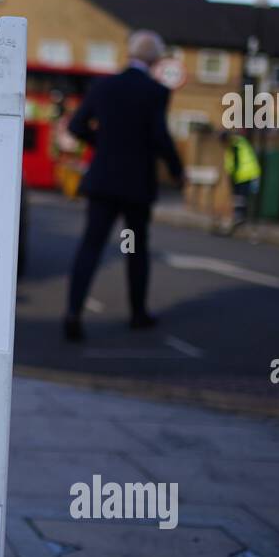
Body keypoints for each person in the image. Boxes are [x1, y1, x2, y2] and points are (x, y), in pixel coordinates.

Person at [63, 30, 184, 342]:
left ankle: (73, 312)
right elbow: (160, 137)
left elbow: (76, 126)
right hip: (136, 185)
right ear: (155, 59)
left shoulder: (103, 86)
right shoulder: (156, 92)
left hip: (102, 180)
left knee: (90, 245)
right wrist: (176, 169)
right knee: (136, 249)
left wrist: (101, 143)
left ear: (128, 53)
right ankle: (137, 314)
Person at [219, 129, 261, 235]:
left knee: (242, 197)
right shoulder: (236, 144)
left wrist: (231, 174)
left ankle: (241, 217)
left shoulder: (236, 144)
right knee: (239, 197)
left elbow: (234, 162)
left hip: (246, 174)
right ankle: (239, 217)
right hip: (244, 174)